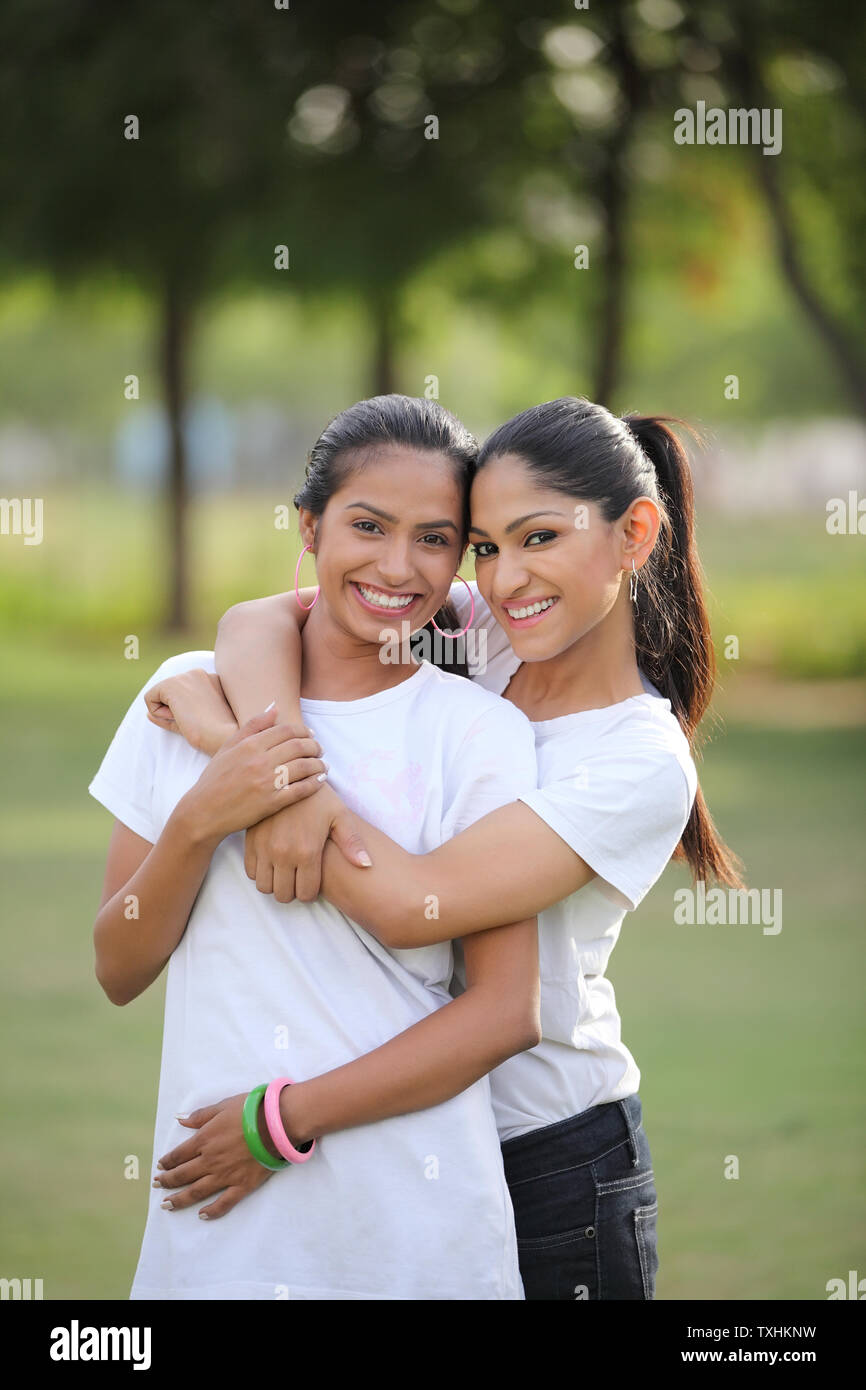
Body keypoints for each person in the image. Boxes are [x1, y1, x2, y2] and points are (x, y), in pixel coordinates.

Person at [152, 396, 743, 1300]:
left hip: (550, 1162)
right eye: (487, 546)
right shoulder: (488, 638)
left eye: (540, 537)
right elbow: (260, 619)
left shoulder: (638, 760)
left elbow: (405, 903)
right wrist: (263, 754)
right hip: (416, 1138)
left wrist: (250, 767)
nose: (507, 579)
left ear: (636, 533)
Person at [89, 395, 543, 1301]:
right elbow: (118, 965)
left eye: (434, 539)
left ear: (459, 560)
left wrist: (279, 1125)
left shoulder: (480, 734)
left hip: (414, 1221)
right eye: (367, 526)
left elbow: (503, 1011)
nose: (396, 566)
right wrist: (205, 814)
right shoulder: (185, 699)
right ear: (309, 526)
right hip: (217, 1214)